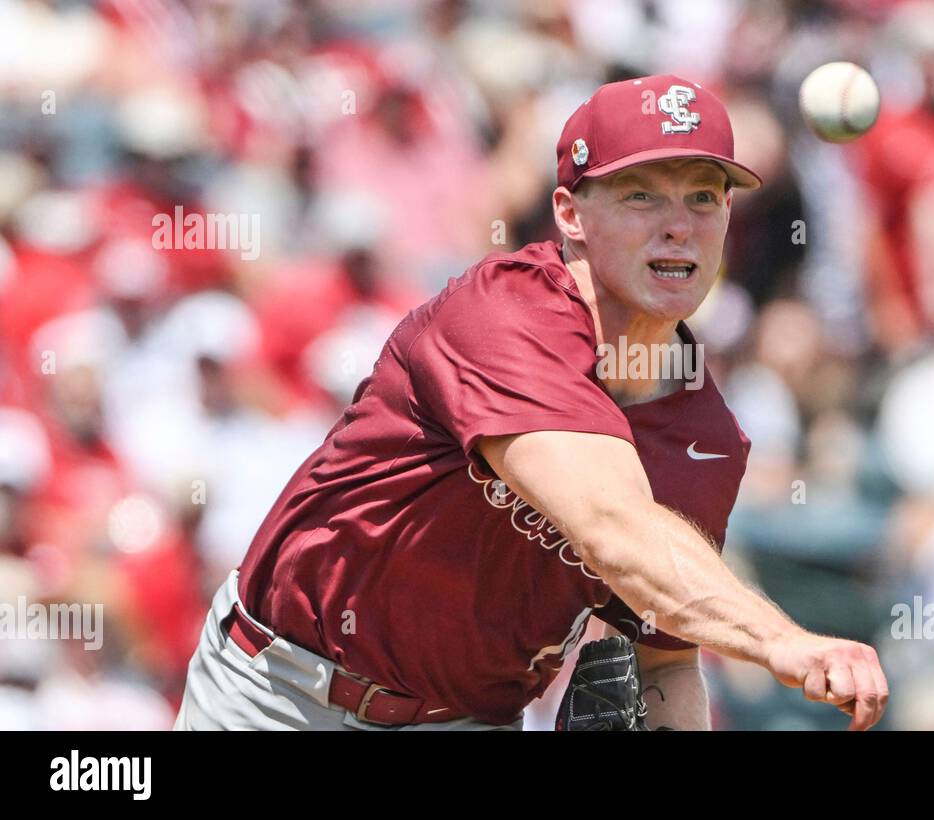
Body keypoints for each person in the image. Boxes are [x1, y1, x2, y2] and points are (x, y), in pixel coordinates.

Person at [173, 75, 888, 731]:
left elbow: (662, 656)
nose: (679, 224)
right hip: (281, 694)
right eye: (642, 194)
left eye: (704, 196)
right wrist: (784, 642)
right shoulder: (500, 316)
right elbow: (613, 529)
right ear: (569, 214)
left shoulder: (704, 437)